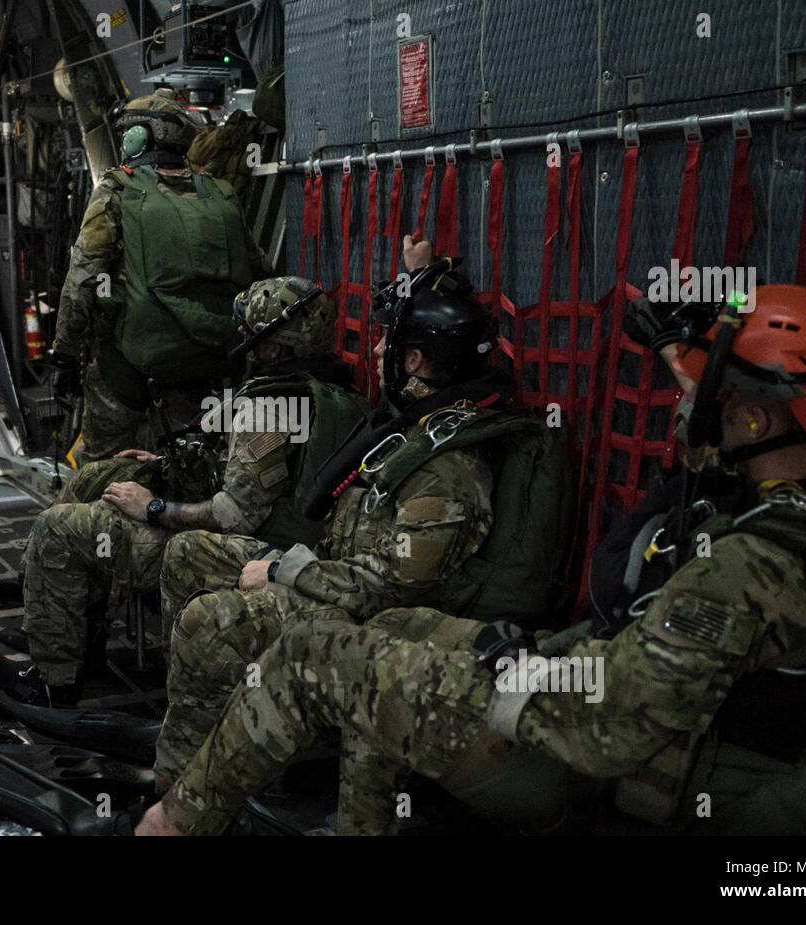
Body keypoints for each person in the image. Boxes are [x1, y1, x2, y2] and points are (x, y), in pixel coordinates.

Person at [137, 283, 806, 836]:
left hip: (592, 757)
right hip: (600, 699)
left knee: (316, 654)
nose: (682, 409)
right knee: (394, 630)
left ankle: (172, 822)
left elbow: (614, 722)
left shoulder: (757, 562)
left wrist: (506, 675)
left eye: (697, 392)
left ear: (752, 413)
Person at [150, 256, 545, 793]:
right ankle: (215, 725)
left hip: (378, 614)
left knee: (210, 622)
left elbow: (394, 587)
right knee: (187, 553)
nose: (376, 352)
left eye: (390, 345)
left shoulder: (449, 465)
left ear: (417, 361)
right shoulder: (414, 426)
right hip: (337, 572)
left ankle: (191, 786)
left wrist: (283, 571)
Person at [21, 277, 367, 705]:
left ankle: (56, 683)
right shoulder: (338, 396)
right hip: (292, 544)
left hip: (244, 552)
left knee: (58, 526)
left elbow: (235, 515)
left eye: (250, 333)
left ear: (276, 348)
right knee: (100, 479)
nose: (241, 337)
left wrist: (153, 506)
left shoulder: (268, 409)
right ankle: (76, 644)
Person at [49, 87, 269, 466]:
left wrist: (65, 355)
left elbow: (83, 278)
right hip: (206, 365)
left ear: (137, 137)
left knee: (102, 468)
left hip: (127, 367)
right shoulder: (221, 194)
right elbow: (260, 272)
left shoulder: (117, 190)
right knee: (191, 466)